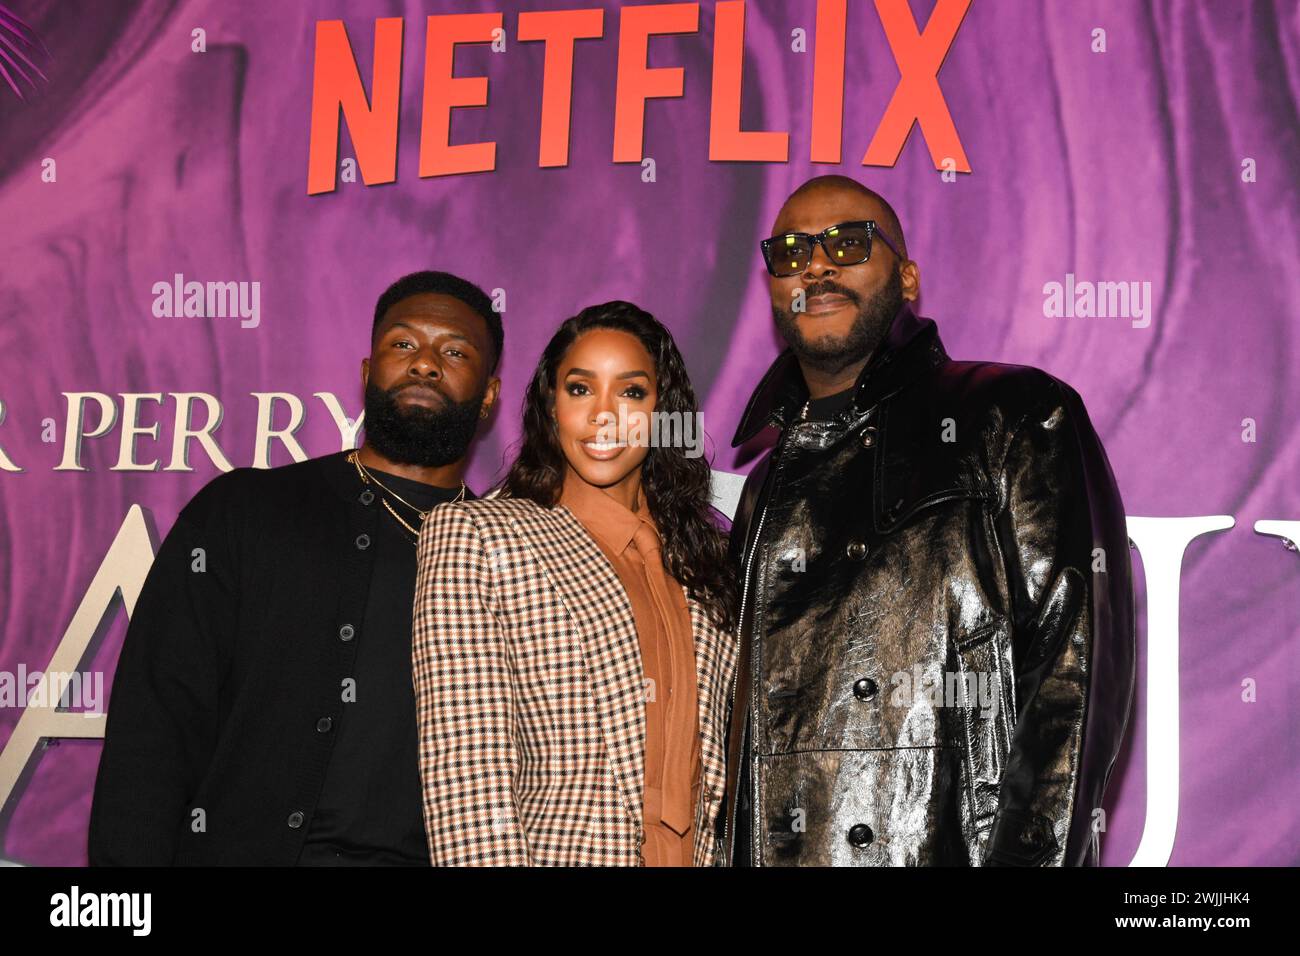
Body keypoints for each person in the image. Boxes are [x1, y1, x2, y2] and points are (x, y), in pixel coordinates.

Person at [722, 175, 1136, 866]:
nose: (816, 265)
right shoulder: (764, 486)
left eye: (848, 243)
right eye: (790, 252)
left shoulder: (1012, 411)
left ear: (907, 277)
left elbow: (1076, 668)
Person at [88, 270, 502, 865]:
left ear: (489, 395)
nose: (425, 364)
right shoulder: (245, 512)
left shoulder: (514, 557)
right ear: (366, 372)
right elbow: (153, 732)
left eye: (455, 351)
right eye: (403, 343)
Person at [412, 301, 736, 866]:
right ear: (551, 406)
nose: (604, 415)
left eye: (631, 392)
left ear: (664, 412)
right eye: (581, 390)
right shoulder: (480, 536)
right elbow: (467, 781)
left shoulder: (708, 564)